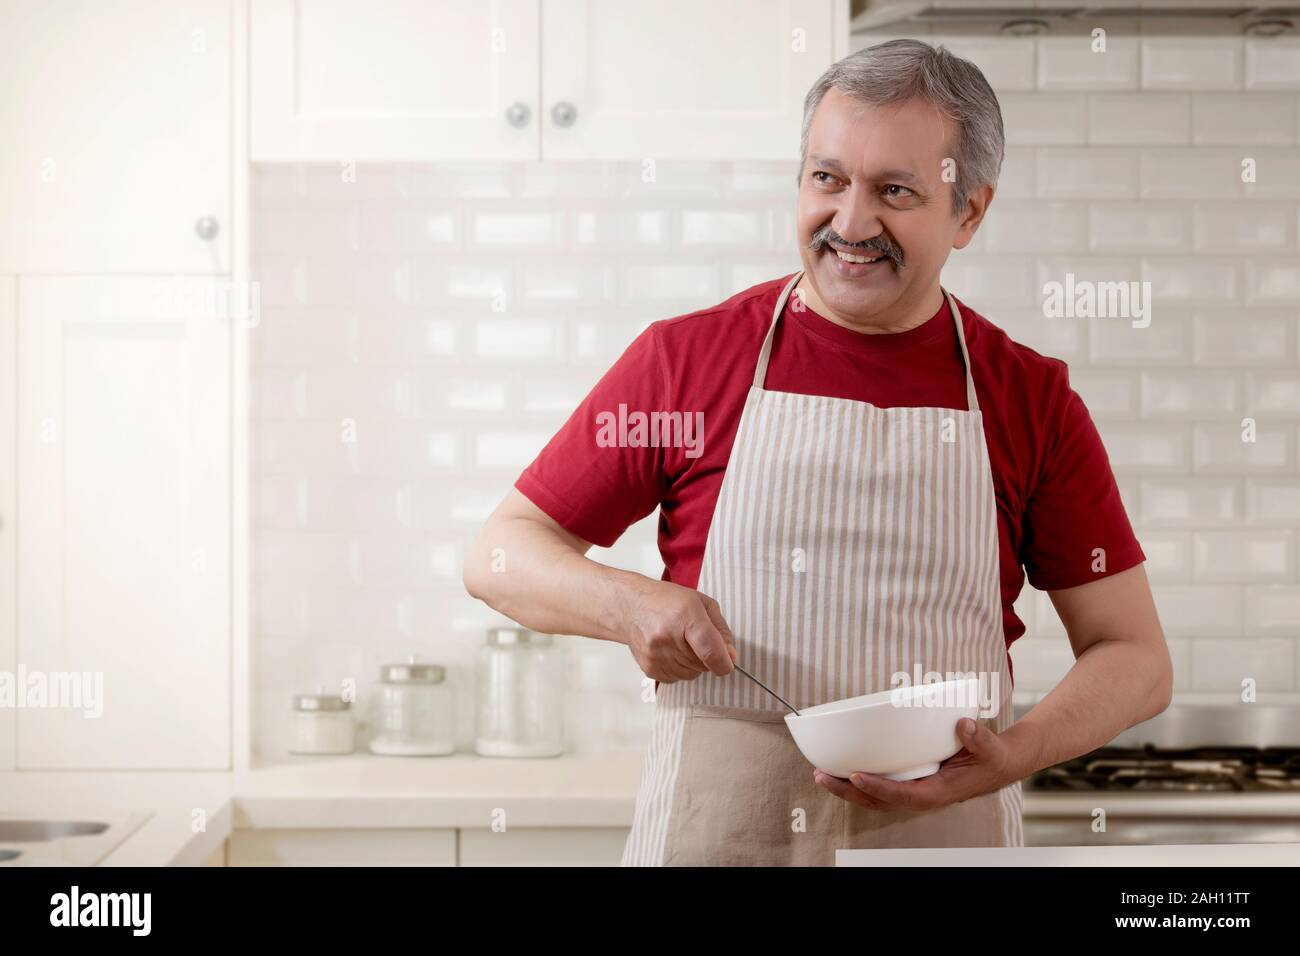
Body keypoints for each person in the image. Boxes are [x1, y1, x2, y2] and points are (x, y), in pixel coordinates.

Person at [464, 39, 1172, 866]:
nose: (851, 223)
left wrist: (1011, 755)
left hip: (942, 842)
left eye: (894, 191)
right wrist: (628, 606)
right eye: (826, 178)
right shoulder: (685, 362)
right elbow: (500, 554)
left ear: (969, 212)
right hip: (720, 832)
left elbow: (1135, 657)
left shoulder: (1030, 399)